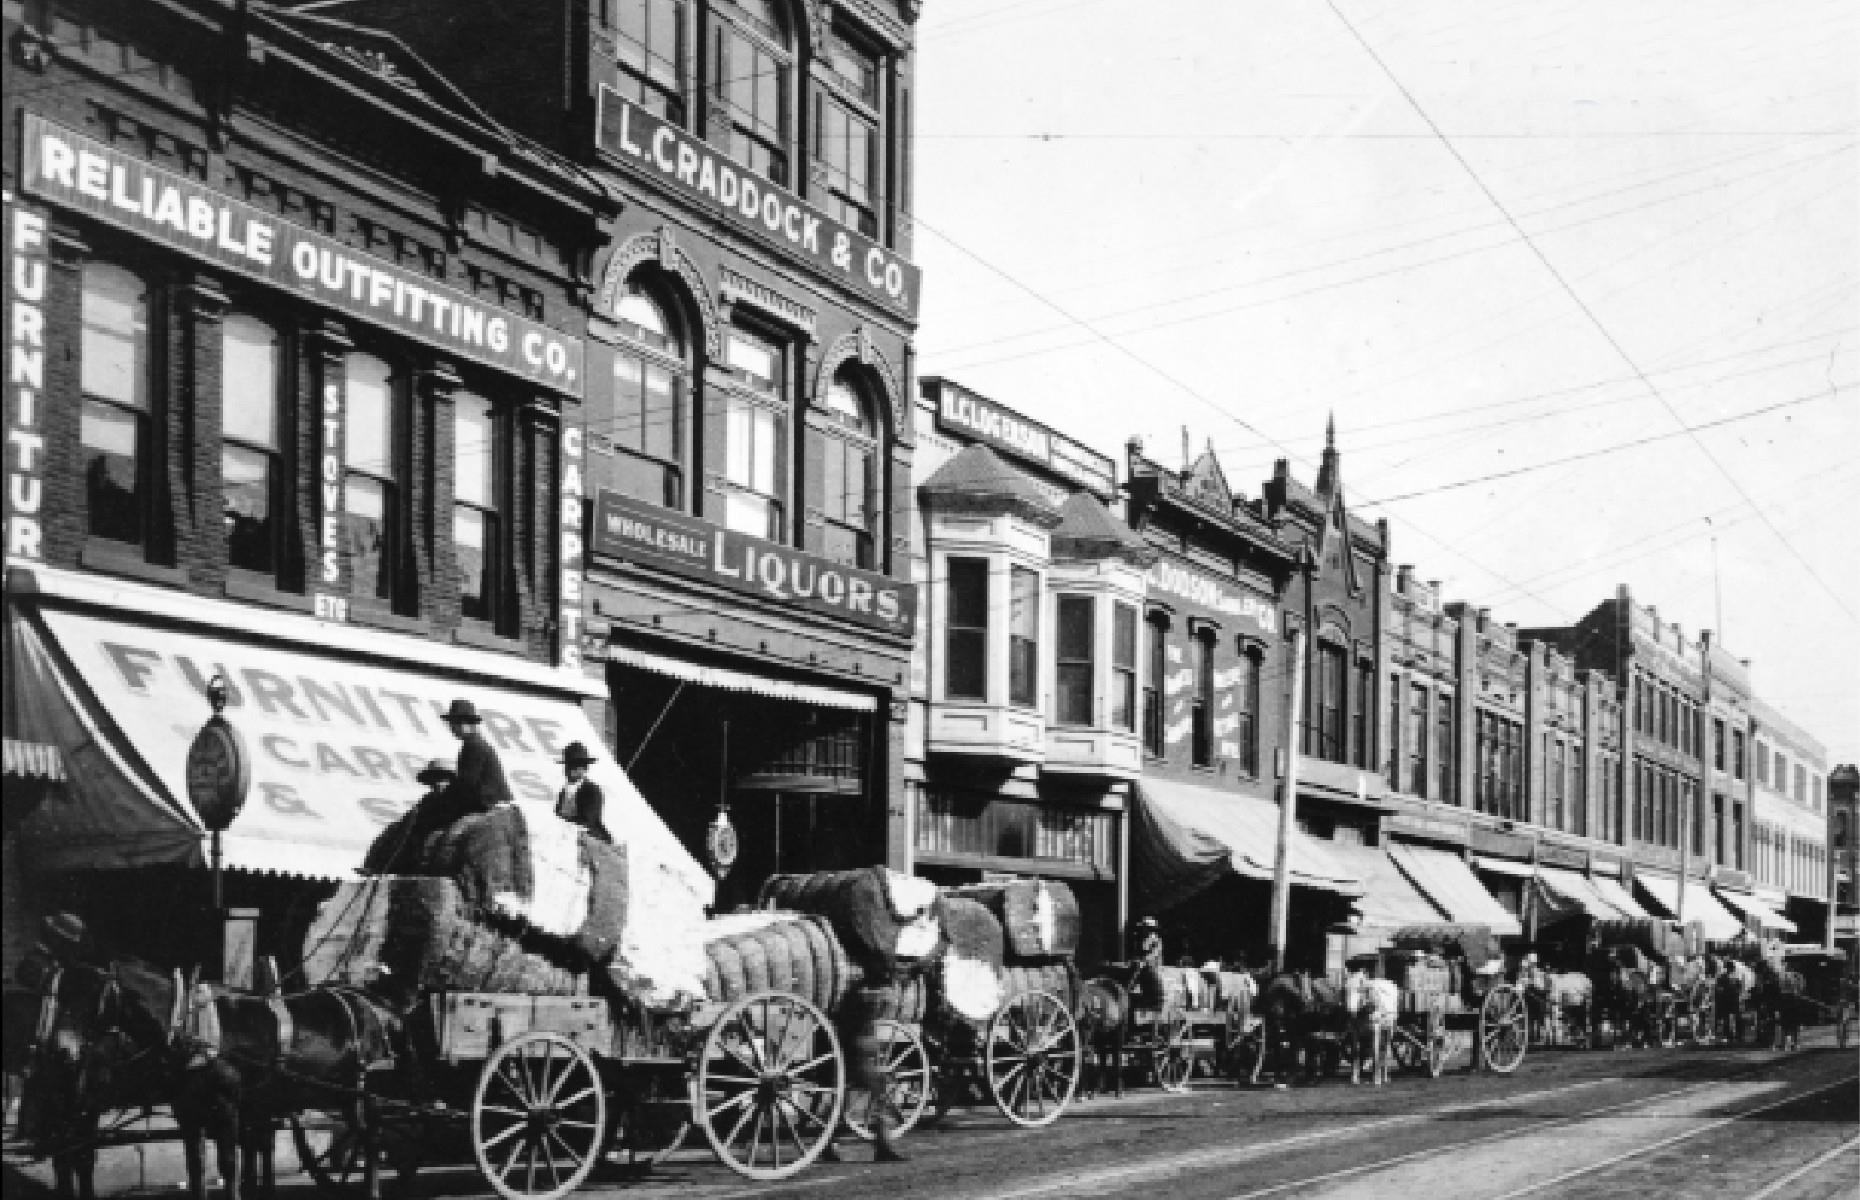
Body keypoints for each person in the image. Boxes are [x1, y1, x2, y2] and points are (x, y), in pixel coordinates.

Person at [445, 698, 513, 814]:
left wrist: (446, 794)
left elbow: (467, 782)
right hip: (487, 800)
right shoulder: (473, 744)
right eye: (452, 723)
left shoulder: (473, 746)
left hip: (489, 803)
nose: (452, 728)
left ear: (468, 723)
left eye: (455, 723)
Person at [555, 742, 612, 842]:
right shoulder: (563, 792)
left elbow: (587, 821)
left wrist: (562, 820)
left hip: (592, 841)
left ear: (584, 768)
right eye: (568, 766)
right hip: (566, 839)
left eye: (576, 766)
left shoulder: (592, 791)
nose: (570, 770)